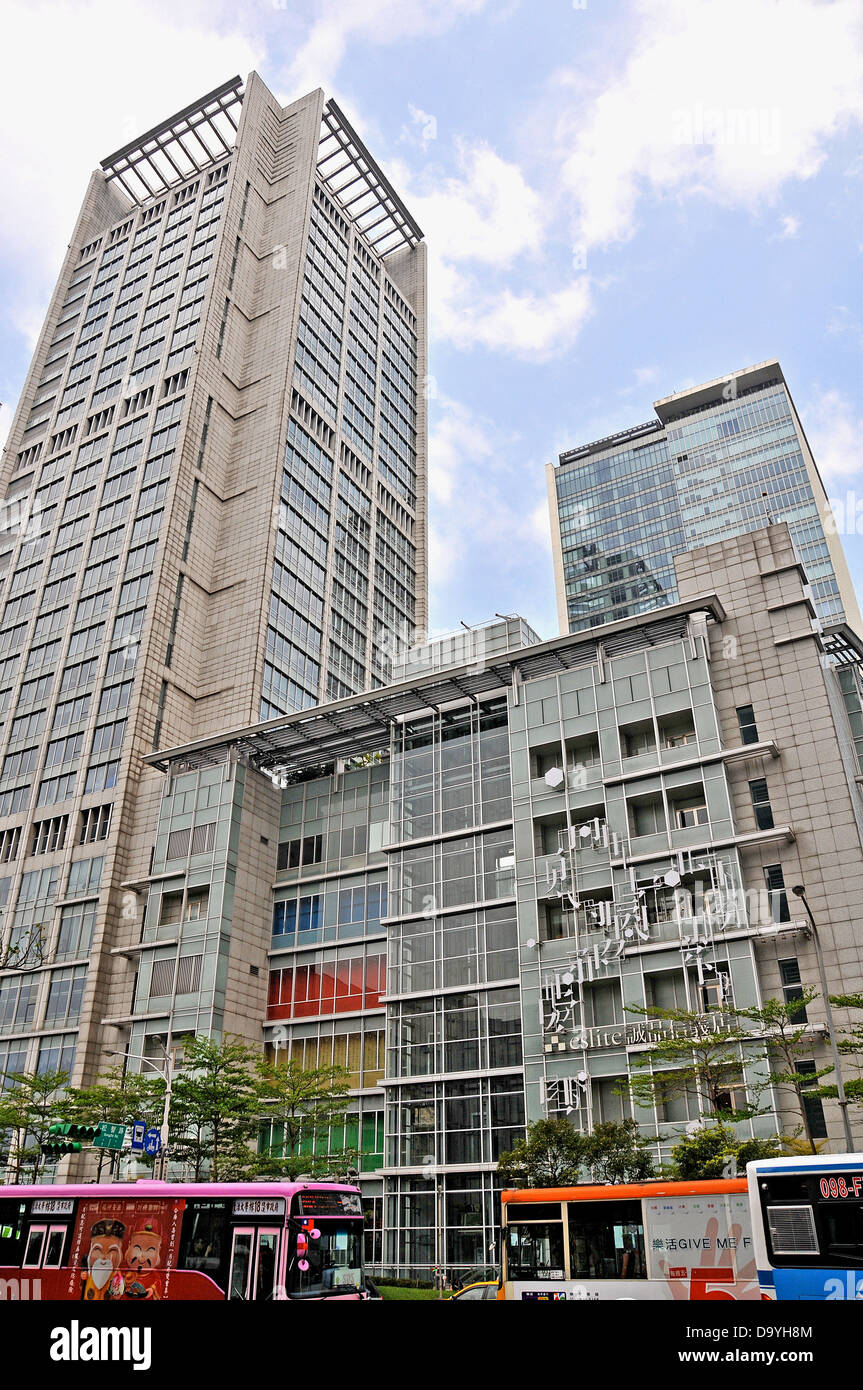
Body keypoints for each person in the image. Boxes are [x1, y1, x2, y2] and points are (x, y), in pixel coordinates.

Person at [81, 1218, 126, 1301]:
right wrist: (83, 1277)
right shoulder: (89, 1273)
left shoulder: (117, 1275)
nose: (104, 1257)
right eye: (98, 1250)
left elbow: (118, 1294)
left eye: (111, 1251)